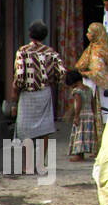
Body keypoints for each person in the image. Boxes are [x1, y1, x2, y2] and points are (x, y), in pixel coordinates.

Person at [11, 20, 67, 165]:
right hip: (44, 93)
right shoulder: (51, 52)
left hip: (27, 94)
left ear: (29, 34)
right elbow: (61, 72)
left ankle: (27, 165)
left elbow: (20, 75)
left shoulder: (23, 51)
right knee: (44, 129)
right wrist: (52, 81)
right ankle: (41, 163)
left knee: (25, 130)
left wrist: (15, 91)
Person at [74, 22, 108, 123]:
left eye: (90, 33)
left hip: (100, 87)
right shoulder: (94, 48)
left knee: (103, 114)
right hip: (101, 85)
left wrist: (85, 74)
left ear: (96, 34)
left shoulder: (99, 51)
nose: (87, 35)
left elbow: (98, 71)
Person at [63, 69, 98, 162]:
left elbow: (78, 104)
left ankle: (79, 155)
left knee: (79, 135)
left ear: (73, 82)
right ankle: (84, 153)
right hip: (89, 115)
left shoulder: (77, 91)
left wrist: (76, 116)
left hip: (81, 115)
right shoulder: (89, 89)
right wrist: (94, 113)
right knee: (86, 135)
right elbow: (93, 102)